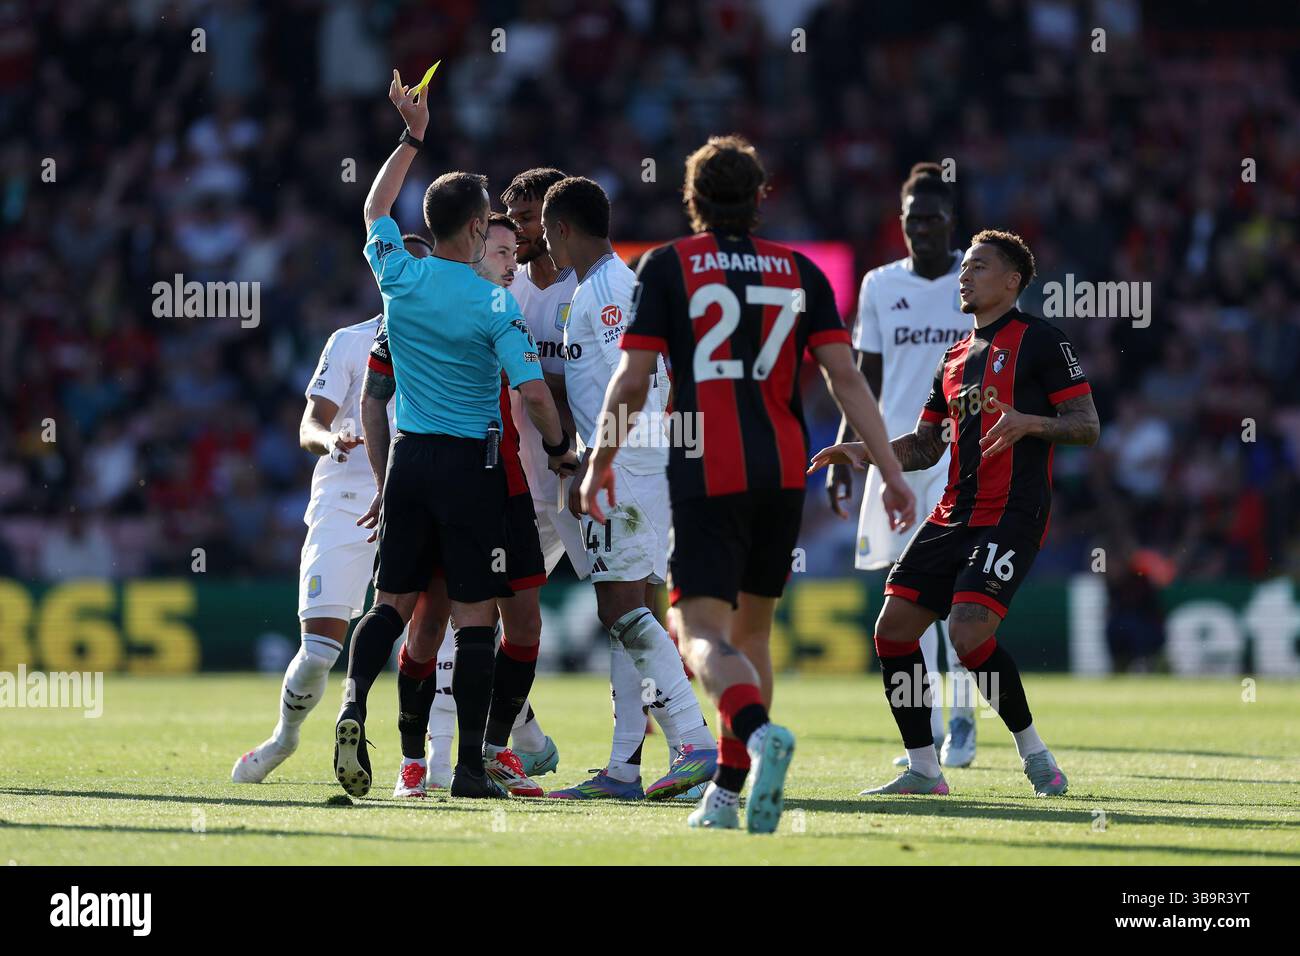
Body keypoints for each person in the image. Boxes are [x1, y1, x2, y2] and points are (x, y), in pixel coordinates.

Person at [583, 135, 916, 832]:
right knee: (753, 634)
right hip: (783, 469)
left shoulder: (666, 266)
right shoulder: (799, 271)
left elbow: (632, 377)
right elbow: (845, 377)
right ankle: (729, 794)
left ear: (692, 198)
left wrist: (599, 461)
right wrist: (888, 470)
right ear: (762, 196)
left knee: (698, 629)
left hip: (709, 467)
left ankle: (761, 739)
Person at [334, 71, 576, 800]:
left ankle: (352, 704)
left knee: (391, 605)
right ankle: (470, 767)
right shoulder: (494, 302)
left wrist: (412, 137)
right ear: (477, 229)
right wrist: (564, 450)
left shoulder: (397, 278)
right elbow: (532, 394)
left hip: (408, 460)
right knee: (475, 621)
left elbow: (375, 202)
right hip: (470, 468)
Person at [809, 230, 1100, 798]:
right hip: (952, 512)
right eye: (964, 267)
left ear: (1013, 281)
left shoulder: (1041, 341)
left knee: (967, 633)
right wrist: (862, 450)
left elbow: (1087, 426)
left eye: (979, 268)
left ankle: (1035, 755)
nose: (964, 276)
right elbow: (924, 447)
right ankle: (923, 769)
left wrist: (1032, 423)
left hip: (1012, 513)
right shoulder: (954, 357)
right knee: (892, 632)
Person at [504, 168, 699, 796]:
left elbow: (633, 381)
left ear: (562, 229)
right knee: (631, 609)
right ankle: (624, 765)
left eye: (547, 232)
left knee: (622, 606)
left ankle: (695, 742)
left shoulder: (607, 289)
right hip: (636, 460)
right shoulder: (607, 284)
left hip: (628, 465)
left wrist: (599, 456)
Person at [357, 215, 558, 797]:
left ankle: (492, 752)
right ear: (473, 252)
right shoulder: (447, 308)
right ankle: (415, 759)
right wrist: (381, 480)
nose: (509, 263)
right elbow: (375, 400)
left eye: (513, 255)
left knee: (521, 623)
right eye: (498, 251)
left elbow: (538, 387)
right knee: (429, 626)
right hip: (460, 479)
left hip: (508, 484)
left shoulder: (502, 310)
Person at [230, 233, 431, 784]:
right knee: (319, 650)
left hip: (416, 501)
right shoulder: (349, 342)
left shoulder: (448, 340)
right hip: (345, 501)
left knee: (432, 639)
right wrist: (333, 438)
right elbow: (308, 425)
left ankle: (422, 763)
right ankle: (284, 738)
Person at [826, 162, 978, 769]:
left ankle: (962, 719)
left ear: (952, 222)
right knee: (907, 598)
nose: (922, 230)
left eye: (933, 219)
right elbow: (866, 378)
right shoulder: (879, 285)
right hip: (898, 457)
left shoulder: (977, 277)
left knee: (950, 595)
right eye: (912, 219)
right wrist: (845, 451)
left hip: (962, 456)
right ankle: (931, 730)